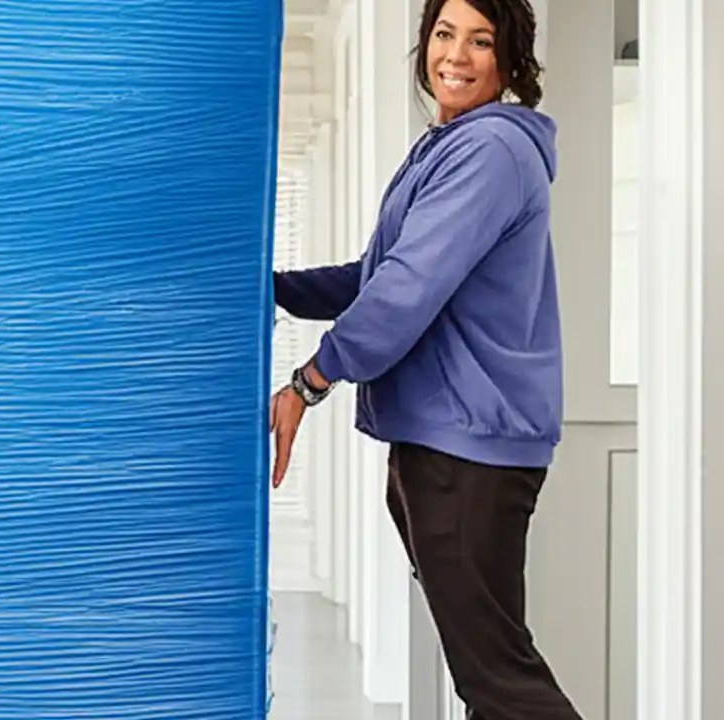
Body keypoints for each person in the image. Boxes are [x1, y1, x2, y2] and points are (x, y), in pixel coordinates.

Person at [268, 0, 581, 718]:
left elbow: (406, 292)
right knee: (489, 673)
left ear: (510, 59)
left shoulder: (490, 151)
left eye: (480, 41)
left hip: (467, 450)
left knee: (500, 682)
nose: (456, 57)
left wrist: (310, 382)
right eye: (444, 35)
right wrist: (273, 290)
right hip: (445, 442)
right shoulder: (447, 146)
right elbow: (381, 274)